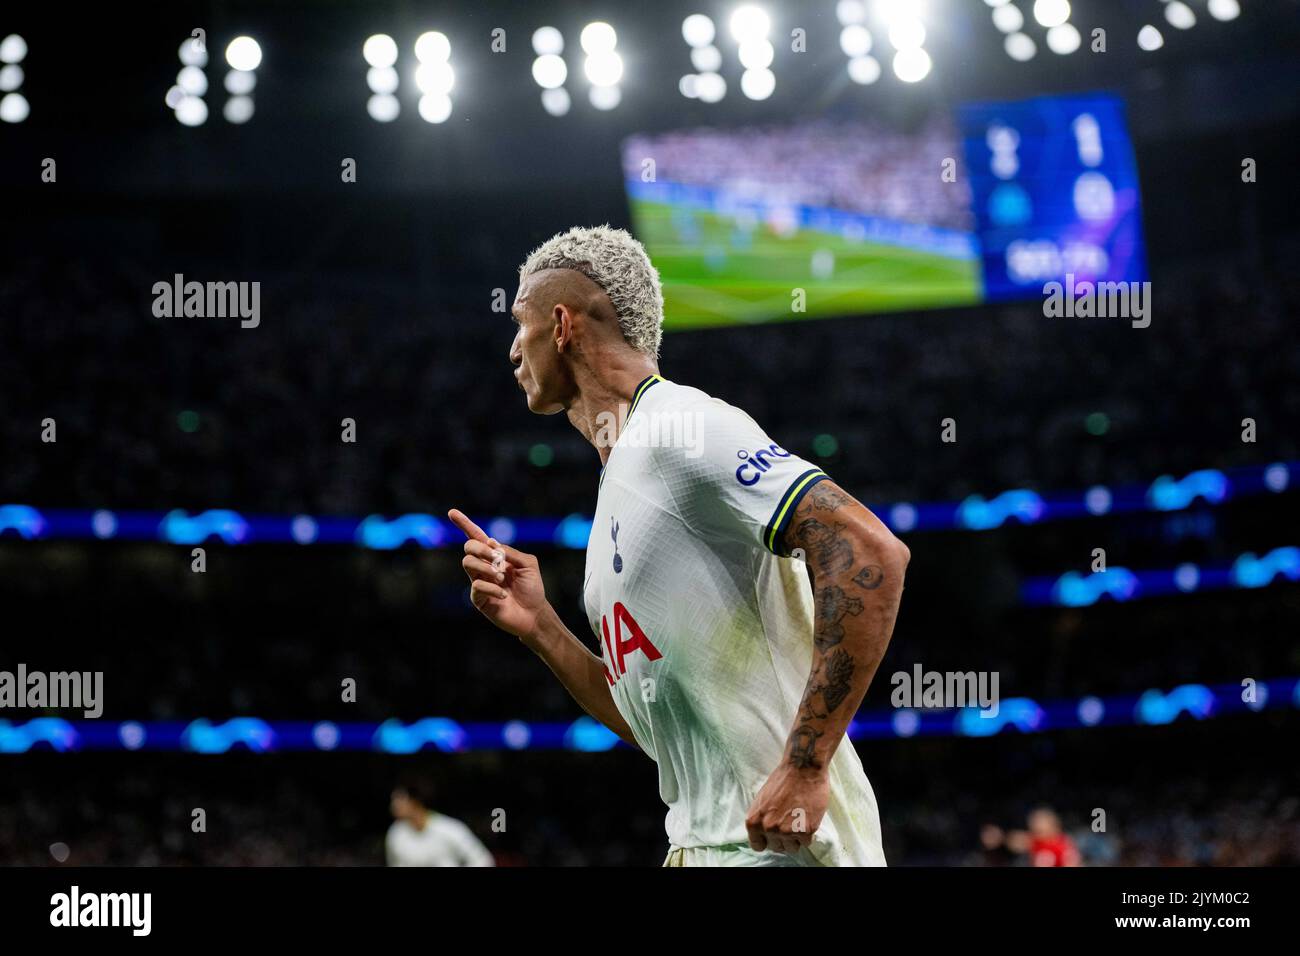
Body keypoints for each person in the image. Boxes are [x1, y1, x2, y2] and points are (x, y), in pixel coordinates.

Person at [449, 225, 910, 866]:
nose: (511, 351)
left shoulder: (680, 428)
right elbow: (660, 733)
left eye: (517, 325)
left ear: (560, 324)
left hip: (784, 849)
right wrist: (543, 628)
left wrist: (806, 765)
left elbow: (867, 550)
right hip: (706, 844)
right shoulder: (623, 478)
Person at [385, 781, 494, 867]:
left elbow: (483, 860)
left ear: (415, 801)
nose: (394, 805)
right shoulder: (395, 834)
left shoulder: (449, 828)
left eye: (399, 800)